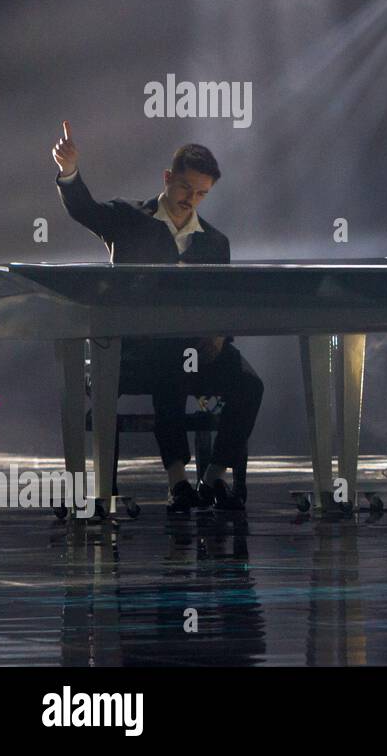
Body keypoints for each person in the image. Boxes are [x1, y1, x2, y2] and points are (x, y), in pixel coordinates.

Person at [51, 123, 263, 512]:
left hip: (198, 351)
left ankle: (213, 476)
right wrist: (69, 171)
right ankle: (177, 480)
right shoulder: (128, 218)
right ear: (168, 178)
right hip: (136, 353)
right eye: (185, 189)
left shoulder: (215, 242)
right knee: (172, 361)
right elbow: (84, 210)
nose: (191, 200)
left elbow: (223, 300)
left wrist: (219, 334)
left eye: (201, 194)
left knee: (249, 384)